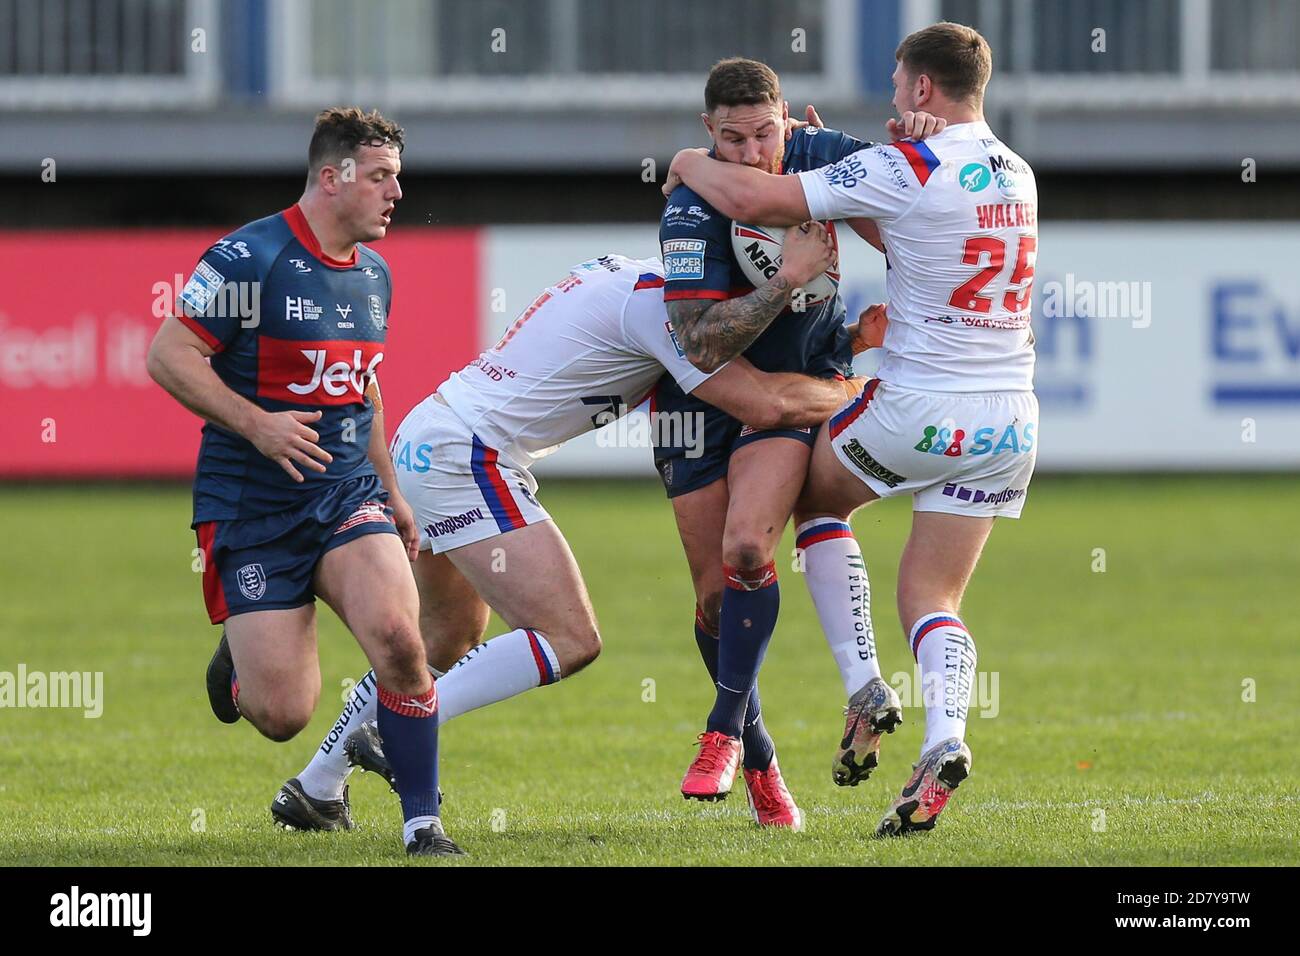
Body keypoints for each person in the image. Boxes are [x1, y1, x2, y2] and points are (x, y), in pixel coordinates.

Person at [281, 251, 886, 833]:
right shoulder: (661, 312)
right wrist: (864, 389)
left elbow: (736, 345)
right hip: (467, 457)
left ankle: (318, 785)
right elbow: (767, 402)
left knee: (446, 638)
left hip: (432, 435)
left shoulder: (637, 279)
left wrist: (847, 340)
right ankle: (403, 728)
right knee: (570, 637)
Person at [664, 22, 1039, 836]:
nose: (894, 96)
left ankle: (865, 687)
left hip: (921, 406)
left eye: (900, 82)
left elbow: (755, 199)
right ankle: (945, 739)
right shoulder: (1017, 170)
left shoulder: (907, 164)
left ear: (924, 88)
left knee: (810, 499)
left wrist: (691, 162)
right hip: (1011, 420)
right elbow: (904, 226)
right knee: (934, 598)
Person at [146, 107, 458, 856]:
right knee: (283, 713)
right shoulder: (248, 257)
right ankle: (243, 661)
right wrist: (258, 424)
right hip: (251, 506)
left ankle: (423, 826)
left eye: (397, 178)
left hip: (345, 494)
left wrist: (390, 490)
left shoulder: (376, 274)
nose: (396, 193)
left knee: (401, 643)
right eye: (381, 177)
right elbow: (168, 355)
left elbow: (363, 388)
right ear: (332, 177)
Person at [656, 58, 941, 824]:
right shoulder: (690, 206)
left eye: (764, 133)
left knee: (748, 550)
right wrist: (788, 279)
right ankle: (761, 759)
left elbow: (925, 185)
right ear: (708, 132)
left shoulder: (818, 154)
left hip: (790, 397)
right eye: (732, 139)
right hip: (702, 400)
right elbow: (699, 341)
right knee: (715, 602)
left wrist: (925, 132)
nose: (752, 153)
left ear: (787, 118)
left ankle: (721, 733)